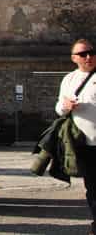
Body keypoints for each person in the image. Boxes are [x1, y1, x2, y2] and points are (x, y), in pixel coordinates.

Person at [57, 39, 96, 233]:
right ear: (74, 58)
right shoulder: (69, 79)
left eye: (91, 52)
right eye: (83, 54)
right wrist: (66, 106)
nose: (88, 56)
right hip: (84, 143)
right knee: (92, 187)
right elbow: (59, 109)